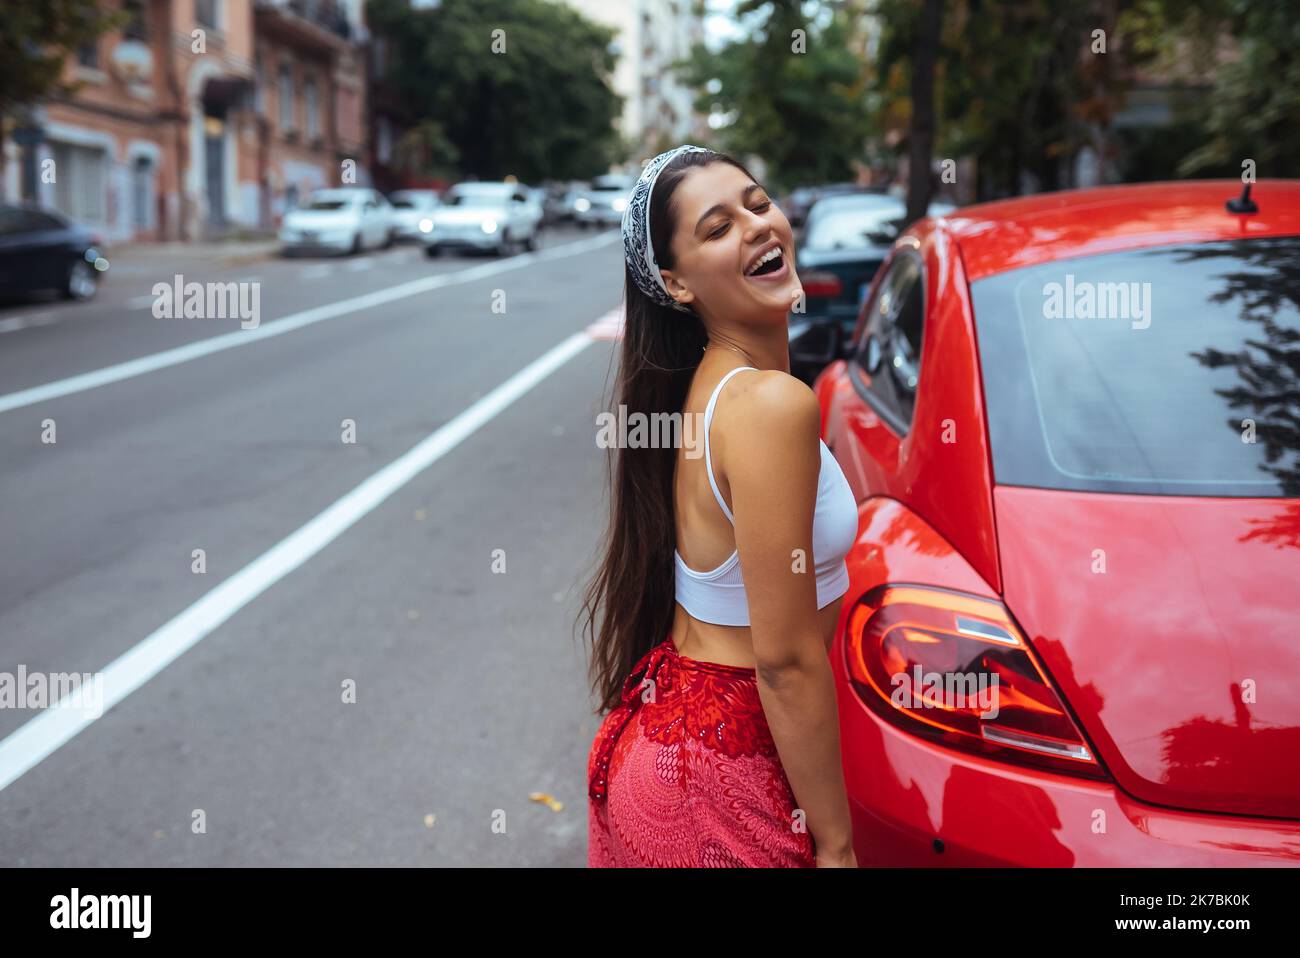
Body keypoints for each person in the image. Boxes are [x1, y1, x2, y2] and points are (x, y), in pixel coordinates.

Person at [580, 144, 859, 867]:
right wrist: (836, 847)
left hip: (672, 740)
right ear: (675, 283)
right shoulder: (768, 404)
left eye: (758, 203)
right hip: (722, 774)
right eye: (717, 227)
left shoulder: (711, 387)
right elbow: (787, 661)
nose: (756, 225)